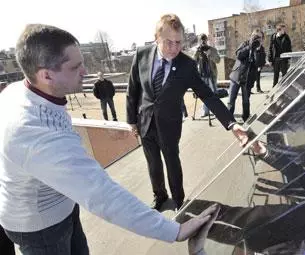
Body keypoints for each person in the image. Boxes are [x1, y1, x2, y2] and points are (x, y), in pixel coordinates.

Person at [0, 24, 222, 255]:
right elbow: (102, 195)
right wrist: (174, 231)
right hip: (42, 227)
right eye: (76, 67)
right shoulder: (36, 132)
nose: (85, 71)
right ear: (45, 75)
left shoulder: (20, 91)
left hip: (61, 205)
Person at [126, 14, 248, 212]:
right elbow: (133, 91)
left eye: (178, 42)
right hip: (145, 123)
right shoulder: (141, 55)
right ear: (157, 37)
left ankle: (178, 201)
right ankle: (160, 196)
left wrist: (231, 123)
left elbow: (208, 96)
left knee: (172, 163)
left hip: (169, 125)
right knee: (153, 165)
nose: (174, 48)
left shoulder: (187, 65)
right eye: (169, 42)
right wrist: (131, 121)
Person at [228, 29, 266, 122]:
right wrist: (250, 46)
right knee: (231, 99)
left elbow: (259, 63)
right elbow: (238, 55)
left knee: (246, 100)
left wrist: (257, 50)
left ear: (262, 39)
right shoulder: (245, 44)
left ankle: (246, 118)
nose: (256, 38)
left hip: (248, 79)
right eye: (254, 36)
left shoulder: (261, 49)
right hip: (236, 76)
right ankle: (228, 119)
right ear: (251, 36)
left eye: (259, 37)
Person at [194, 33, 221, 118]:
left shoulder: (212, 49)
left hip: (212, 74)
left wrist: (210, 54)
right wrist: (197, 53)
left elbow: (218, 60)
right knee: (204, 94)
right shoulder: (198, 50)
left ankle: (216, 111)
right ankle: (206, 111)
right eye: (201, 40)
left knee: (213, 93)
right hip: (202, 75)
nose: (203, 41)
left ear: (206, 40)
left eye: (204, 39)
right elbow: (194, 61)